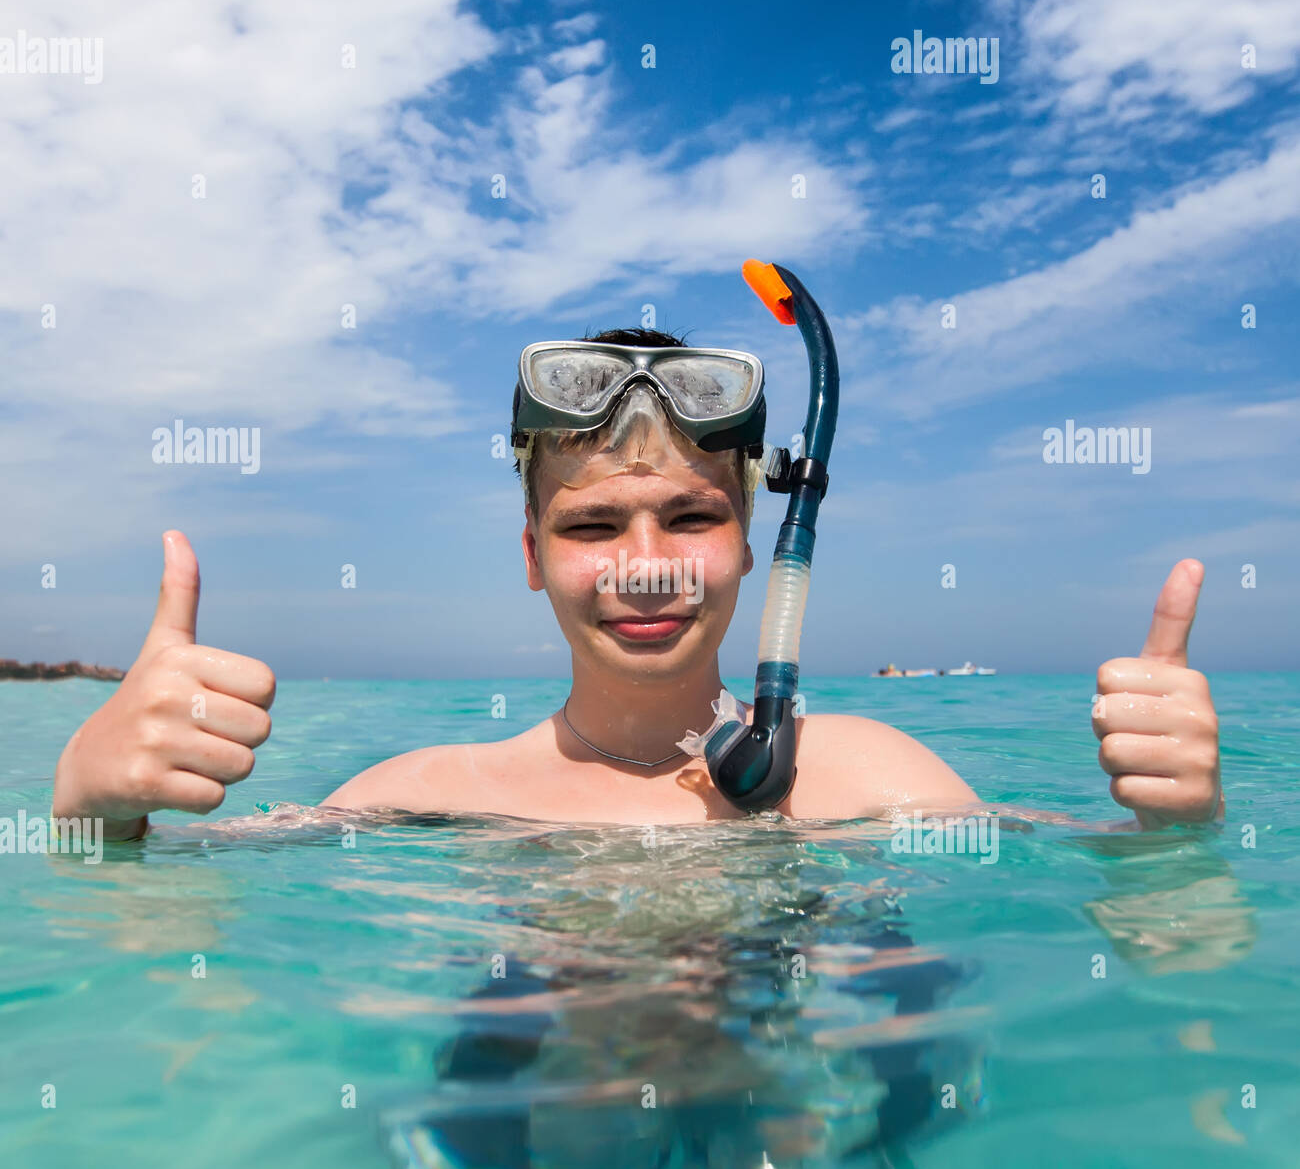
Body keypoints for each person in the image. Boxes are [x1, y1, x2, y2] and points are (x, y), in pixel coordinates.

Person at [51, 328, 1224, 837]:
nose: (648, 561)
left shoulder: (877, 778)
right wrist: (88, 805)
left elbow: (1134, 910)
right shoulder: (414, 795)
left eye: (693, 515)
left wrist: (1173, 827)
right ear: (530, 557)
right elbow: (163, 915)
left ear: (753, 542)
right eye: (595, 523)